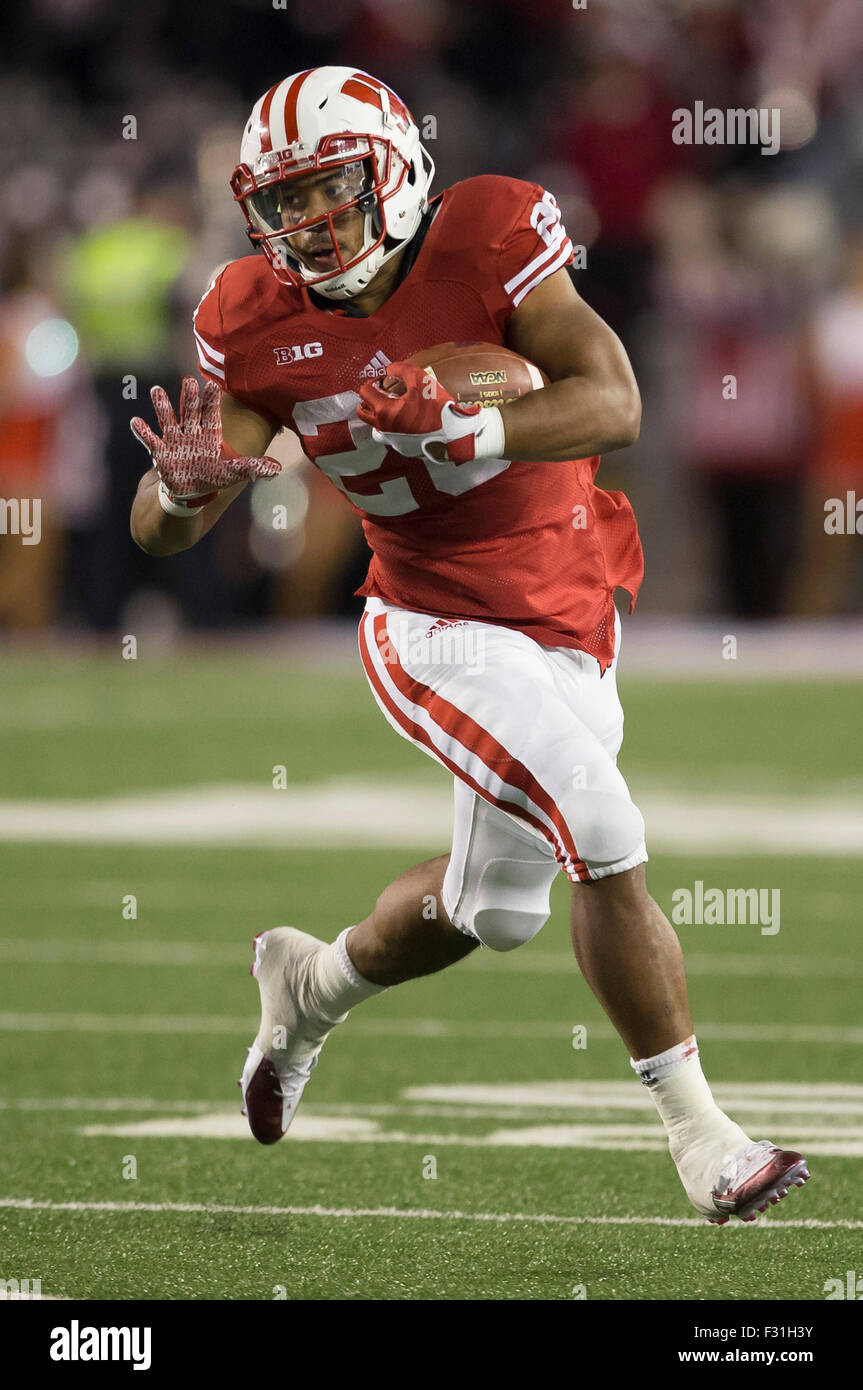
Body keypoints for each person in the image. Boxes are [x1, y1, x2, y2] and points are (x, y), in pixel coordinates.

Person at [129, 66, 809, 1224]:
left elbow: (616, 400)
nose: (307, 221)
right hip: (432, 624)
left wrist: (472, 420)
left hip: (569, 604)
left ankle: (311, 981)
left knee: (491, 910)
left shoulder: (490, 232)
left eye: (330, 187)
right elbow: (166, 521)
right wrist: (180, 494)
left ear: (391, 171)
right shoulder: (254, 315)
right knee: (598, 819)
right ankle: (703, 1135)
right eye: (282, 201)